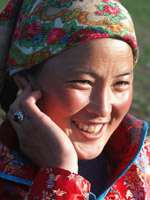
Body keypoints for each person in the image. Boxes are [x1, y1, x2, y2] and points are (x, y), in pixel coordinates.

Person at [0, 0, 150, 199]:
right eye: (82, 82)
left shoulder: (143, 163)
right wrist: (60, 173)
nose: (103, 109)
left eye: (121, 83)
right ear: (25, 79)